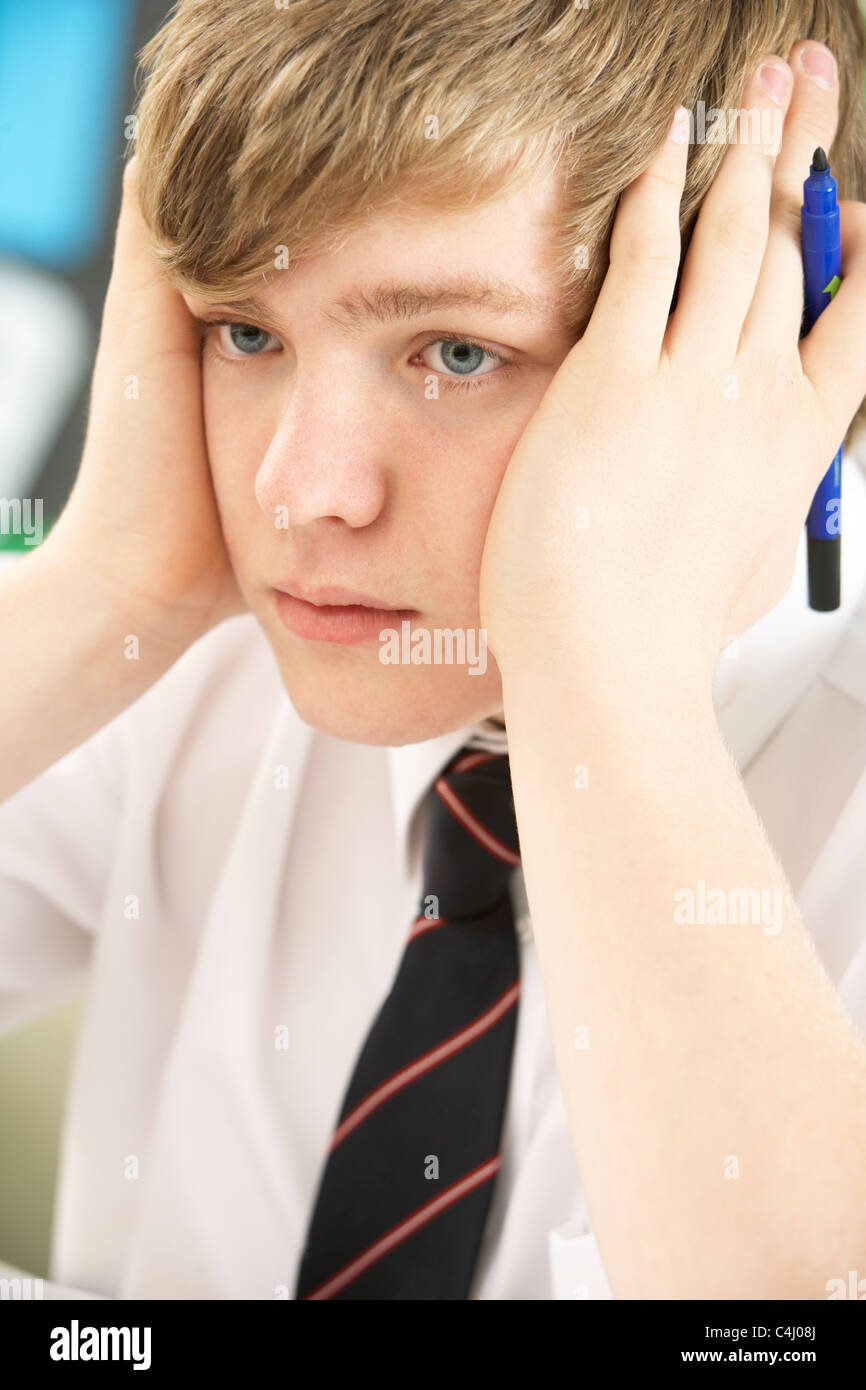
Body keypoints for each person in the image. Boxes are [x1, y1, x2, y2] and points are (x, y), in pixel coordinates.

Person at [2, 0, 866, 1300]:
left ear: (768, 324)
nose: (303, 491)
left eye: (457, 352)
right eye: (248, 333)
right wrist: (102, 587)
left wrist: (602, 668)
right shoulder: (214, 651)